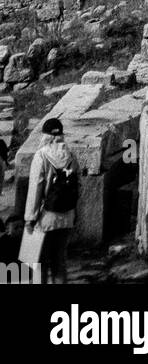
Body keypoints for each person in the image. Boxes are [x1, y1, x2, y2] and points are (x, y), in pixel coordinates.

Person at [24, 118, 79, 284]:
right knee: (59, 262)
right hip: (66, 216)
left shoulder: (41, 156)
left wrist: (29, 219)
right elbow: (78, 187)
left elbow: (35, 189)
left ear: (45, 136)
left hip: (44, 217)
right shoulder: (71, 155)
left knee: (38, 264)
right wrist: (74, 214)